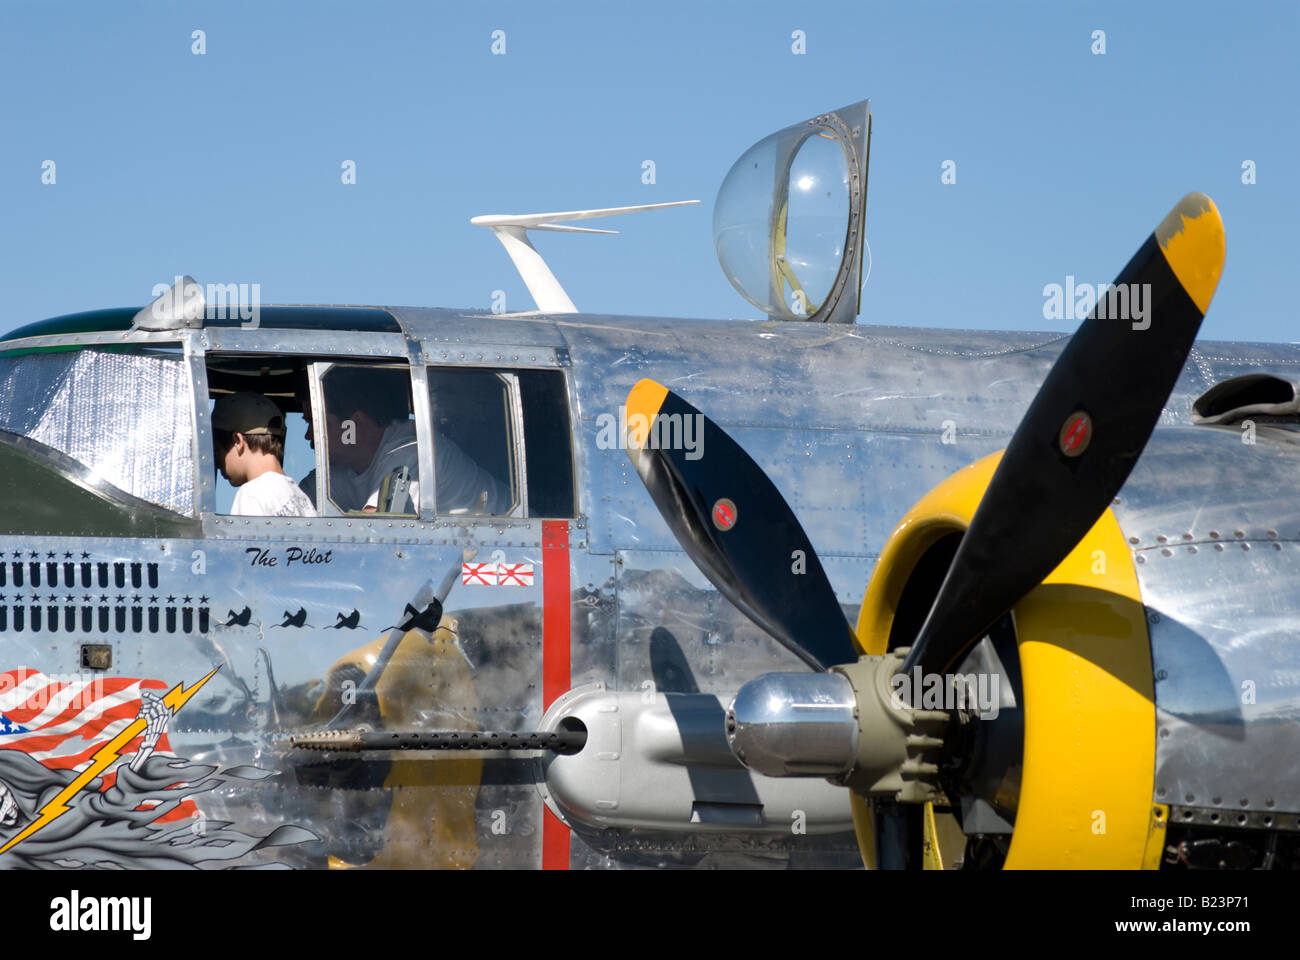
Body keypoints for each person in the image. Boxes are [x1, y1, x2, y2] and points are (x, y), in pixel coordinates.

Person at [301, 367, 508, 515]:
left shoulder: (412, 451)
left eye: (319, 424)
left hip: (505, 562)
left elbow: (373, 528)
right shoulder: (340, 468)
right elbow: (293, 504)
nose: (309, 436)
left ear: (355, 425)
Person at [212, 392, 316, 517]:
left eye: (217, 450)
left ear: (238, 441)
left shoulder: (252, 494)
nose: (217, 463)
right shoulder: (301, 497)